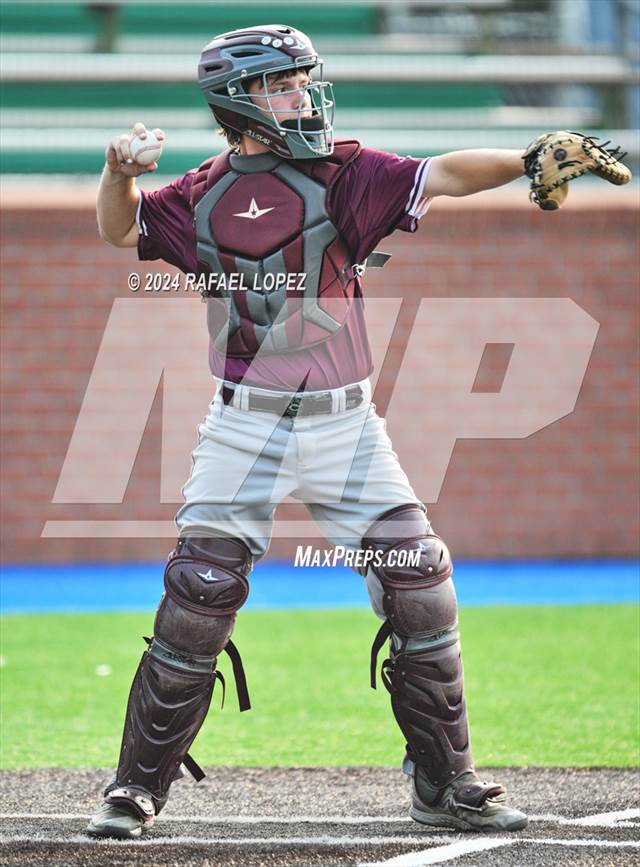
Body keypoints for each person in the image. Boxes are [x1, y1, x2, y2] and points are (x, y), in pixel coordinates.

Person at [89, 23, 529, 839]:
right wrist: (117, 172)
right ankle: (132, 790)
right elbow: (122, 230)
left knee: (419, 580)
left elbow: (449, 172)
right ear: (241, 100)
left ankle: (446, 784)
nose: (305, 95)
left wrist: (531, 161)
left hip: (348, 427)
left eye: (303, 80)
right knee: (200, 594)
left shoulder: (349, 175)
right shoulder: (202, 192)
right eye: (286, 83)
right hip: (242, 426)